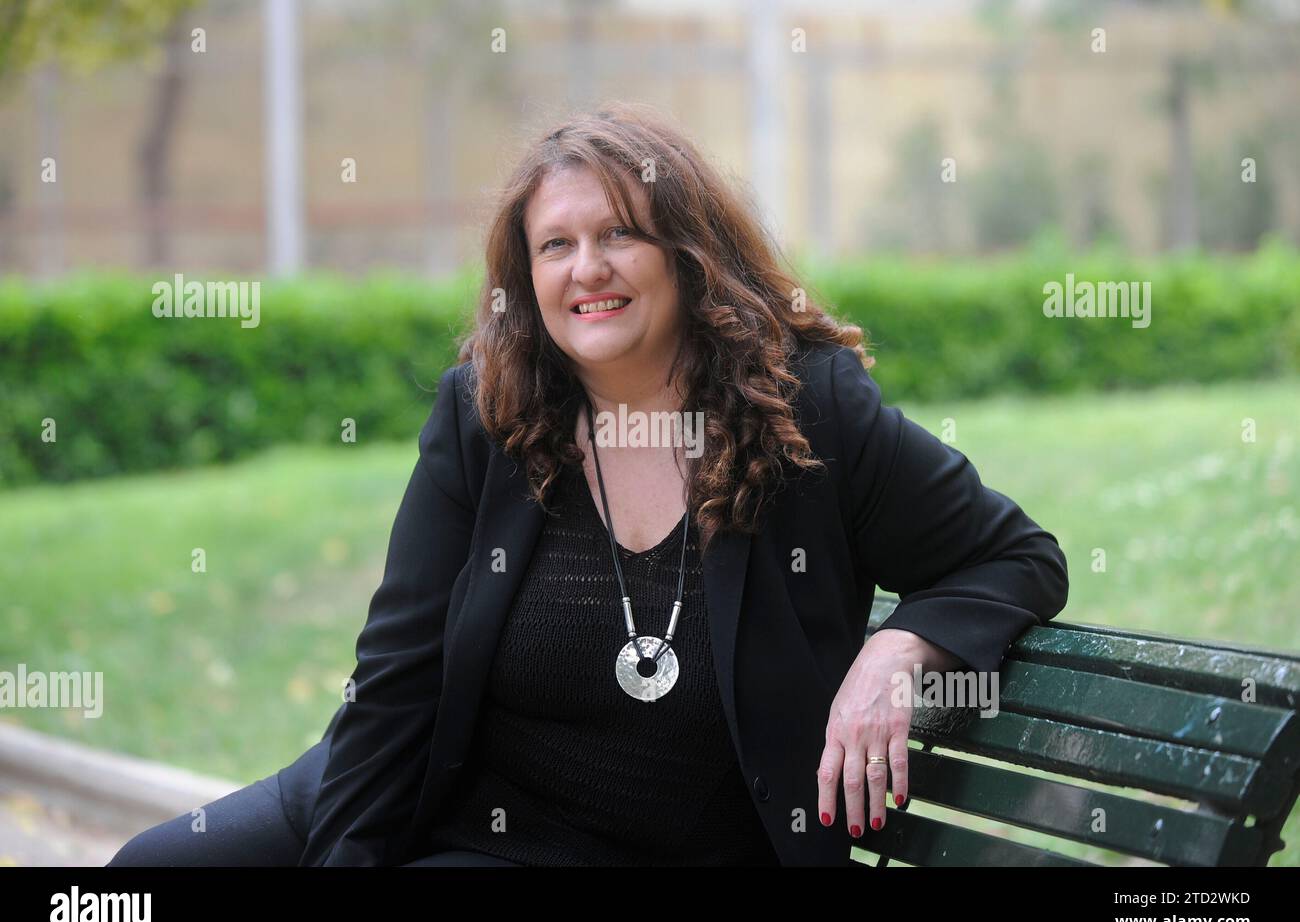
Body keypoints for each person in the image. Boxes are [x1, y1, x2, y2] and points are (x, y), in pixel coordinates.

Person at [109, 101, 1068, 867]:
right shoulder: (487, 415)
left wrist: (899, 649)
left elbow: (1015, 556)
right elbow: (397, 679)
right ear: (526, 277)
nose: (588, 270)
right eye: (555, 246)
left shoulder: (808, 412)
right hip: (436, 801)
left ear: (689, 254)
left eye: (620, 234)